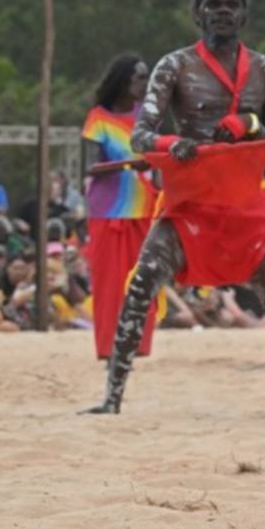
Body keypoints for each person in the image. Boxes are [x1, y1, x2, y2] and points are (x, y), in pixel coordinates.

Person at [85, 0, 265, 418]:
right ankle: (111, 400)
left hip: (248, 206)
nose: (223, 10)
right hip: (190, 205)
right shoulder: (174, 66)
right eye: (214, 3)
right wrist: (172, 145)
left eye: (231, 4)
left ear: (243, 14)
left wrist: (248, 125)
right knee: (141, 284)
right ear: (198, 13)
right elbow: (142, 136)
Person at [82, 53, 160, 361]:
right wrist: (130, 164)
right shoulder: (98, 118)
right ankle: (108, 347)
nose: (145, 83)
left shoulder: (147, 117)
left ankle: (138, 344)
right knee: (109, 283)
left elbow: (158, 163)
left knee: (143, 280)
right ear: (124, 81)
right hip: (108, 212)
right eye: (140, 77)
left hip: (144, 208)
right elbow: (90, 168)